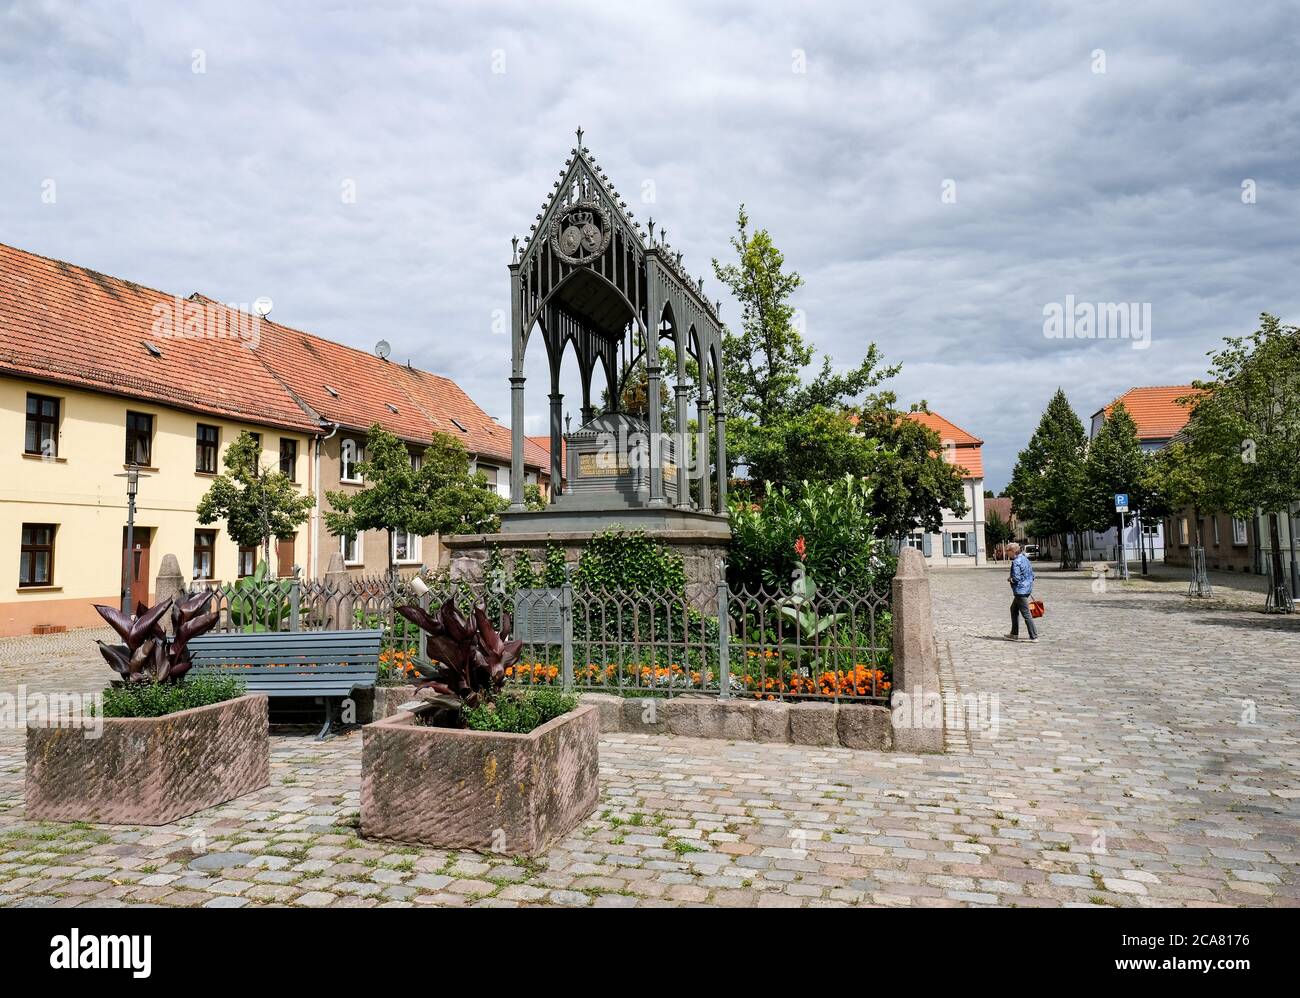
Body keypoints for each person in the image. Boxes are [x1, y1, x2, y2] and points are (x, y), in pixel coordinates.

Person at [1006, 542, 1038, 641]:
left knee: (1026, 614)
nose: (1007, 554)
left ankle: (1033, 636)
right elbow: (1032, 574)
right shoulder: (1025, 558)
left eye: (1008, 552)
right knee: (1013, 609)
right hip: (1027, 588)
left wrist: (1010, 579)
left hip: (1020, 591)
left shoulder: (1016, 562)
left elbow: (1016, 578)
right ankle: (1014, 633)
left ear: (1013, 551)